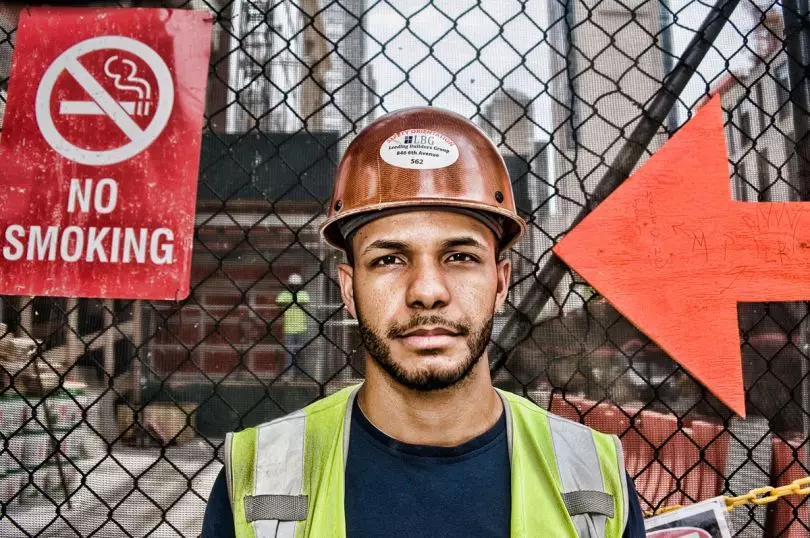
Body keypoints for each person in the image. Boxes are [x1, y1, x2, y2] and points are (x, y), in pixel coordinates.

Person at [203, 107, 646, 537]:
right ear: (347, 289)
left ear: (501, 281)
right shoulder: (259, 479)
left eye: (460, 257)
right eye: (390, 259)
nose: (427, 291)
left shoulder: (594, 478)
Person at [275, 273, 310, 371]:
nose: (294, 287)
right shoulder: (284, 294)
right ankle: (289, 375)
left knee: (301, 353)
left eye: (296, 285)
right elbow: (278, 301)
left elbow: (305, 301)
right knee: (289, 354)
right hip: (289, 328)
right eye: (293, 285)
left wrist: (290, 302)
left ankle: (300, 373)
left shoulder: (303, 294)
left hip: (301, 328)